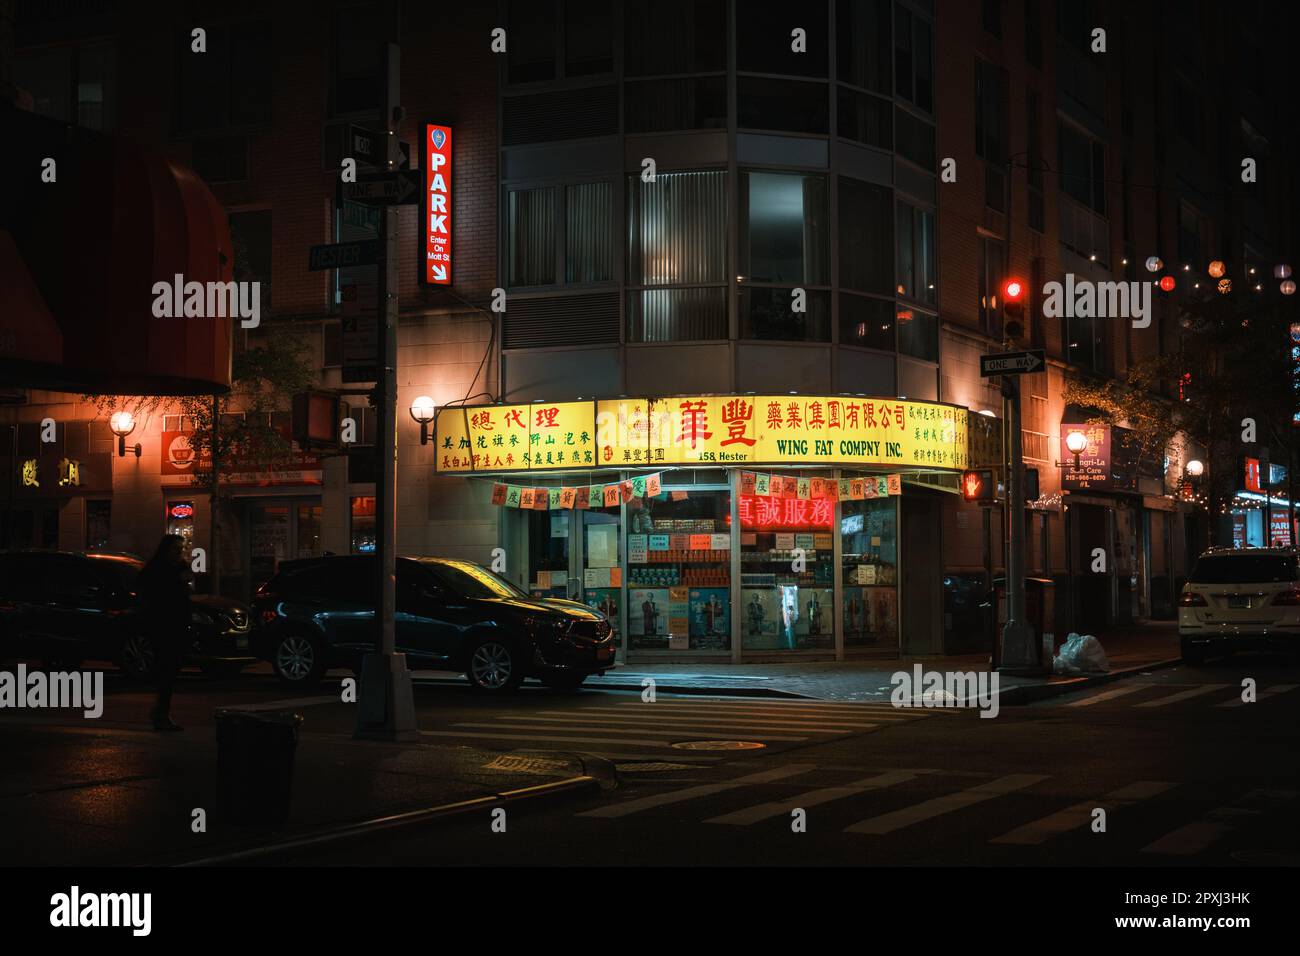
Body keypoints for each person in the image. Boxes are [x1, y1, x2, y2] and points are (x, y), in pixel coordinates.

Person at [136, 534, 193, 731]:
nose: (179, 552)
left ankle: (161, 712)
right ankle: (161, 714)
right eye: (175, 549)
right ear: (165, 550)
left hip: (177, 624)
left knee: (171, 669)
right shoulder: (157, 570)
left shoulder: (178, 568)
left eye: (181, 548)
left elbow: (185, 594)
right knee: (166, 670)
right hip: (163, 626)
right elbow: (150, 594)